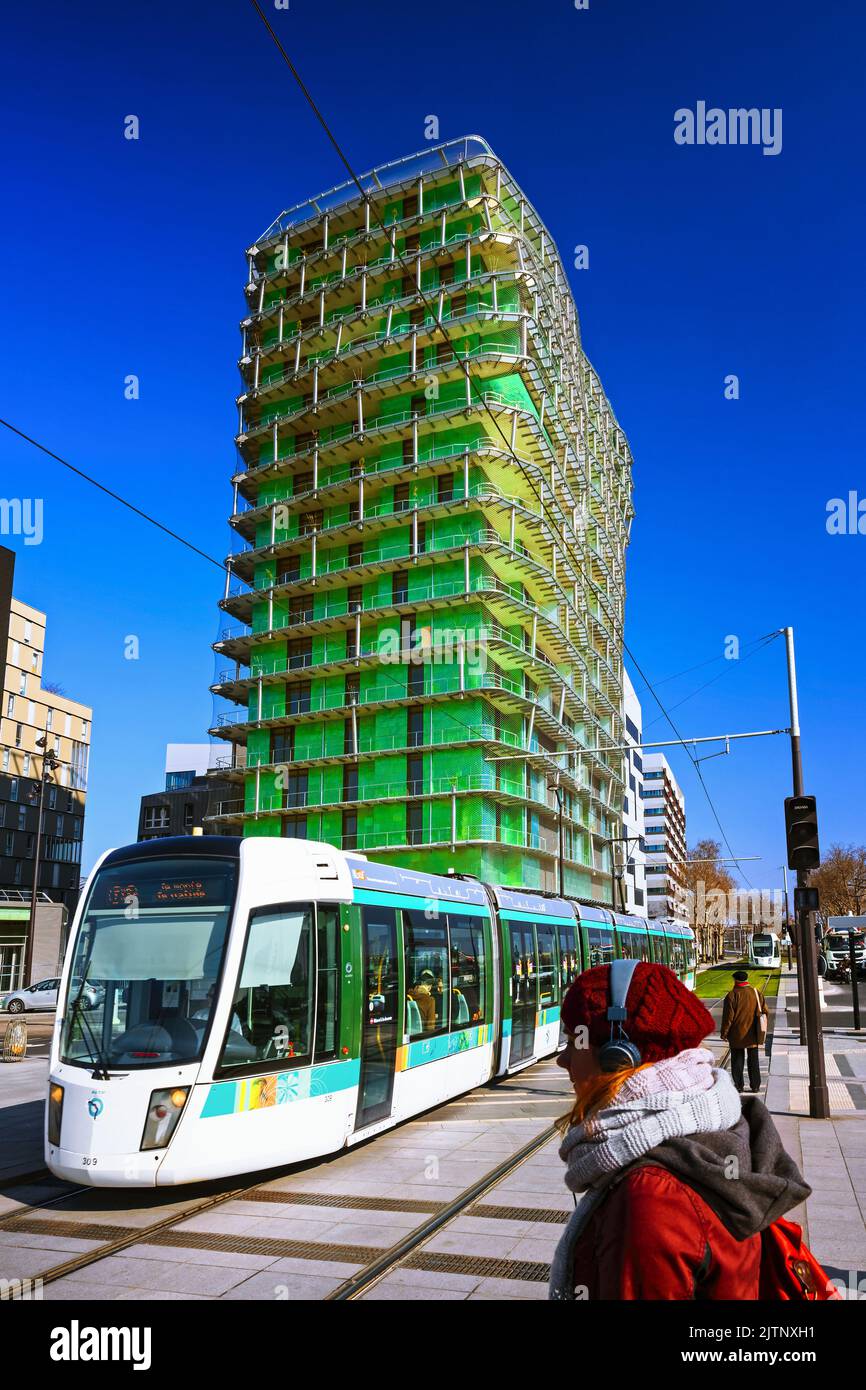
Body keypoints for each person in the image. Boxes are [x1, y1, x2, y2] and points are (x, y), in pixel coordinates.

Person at [549, 961, 809, 1300]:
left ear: (619, 1059)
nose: (563, 1059)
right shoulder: (720, 1126)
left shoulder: (650, 1199)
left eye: (573, 1041)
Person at [721, 969, 767, 1093]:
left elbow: (728, 1018)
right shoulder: (756, 993)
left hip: (736, 1035)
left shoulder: (731, 995)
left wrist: (724, 1033)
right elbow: (765, 1011)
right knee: (754, 1060)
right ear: (746, 980)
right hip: (753, 1033)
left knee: (737, 1061)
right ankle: (755, 1086)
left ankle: (739, 1086)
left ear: (735, 980)